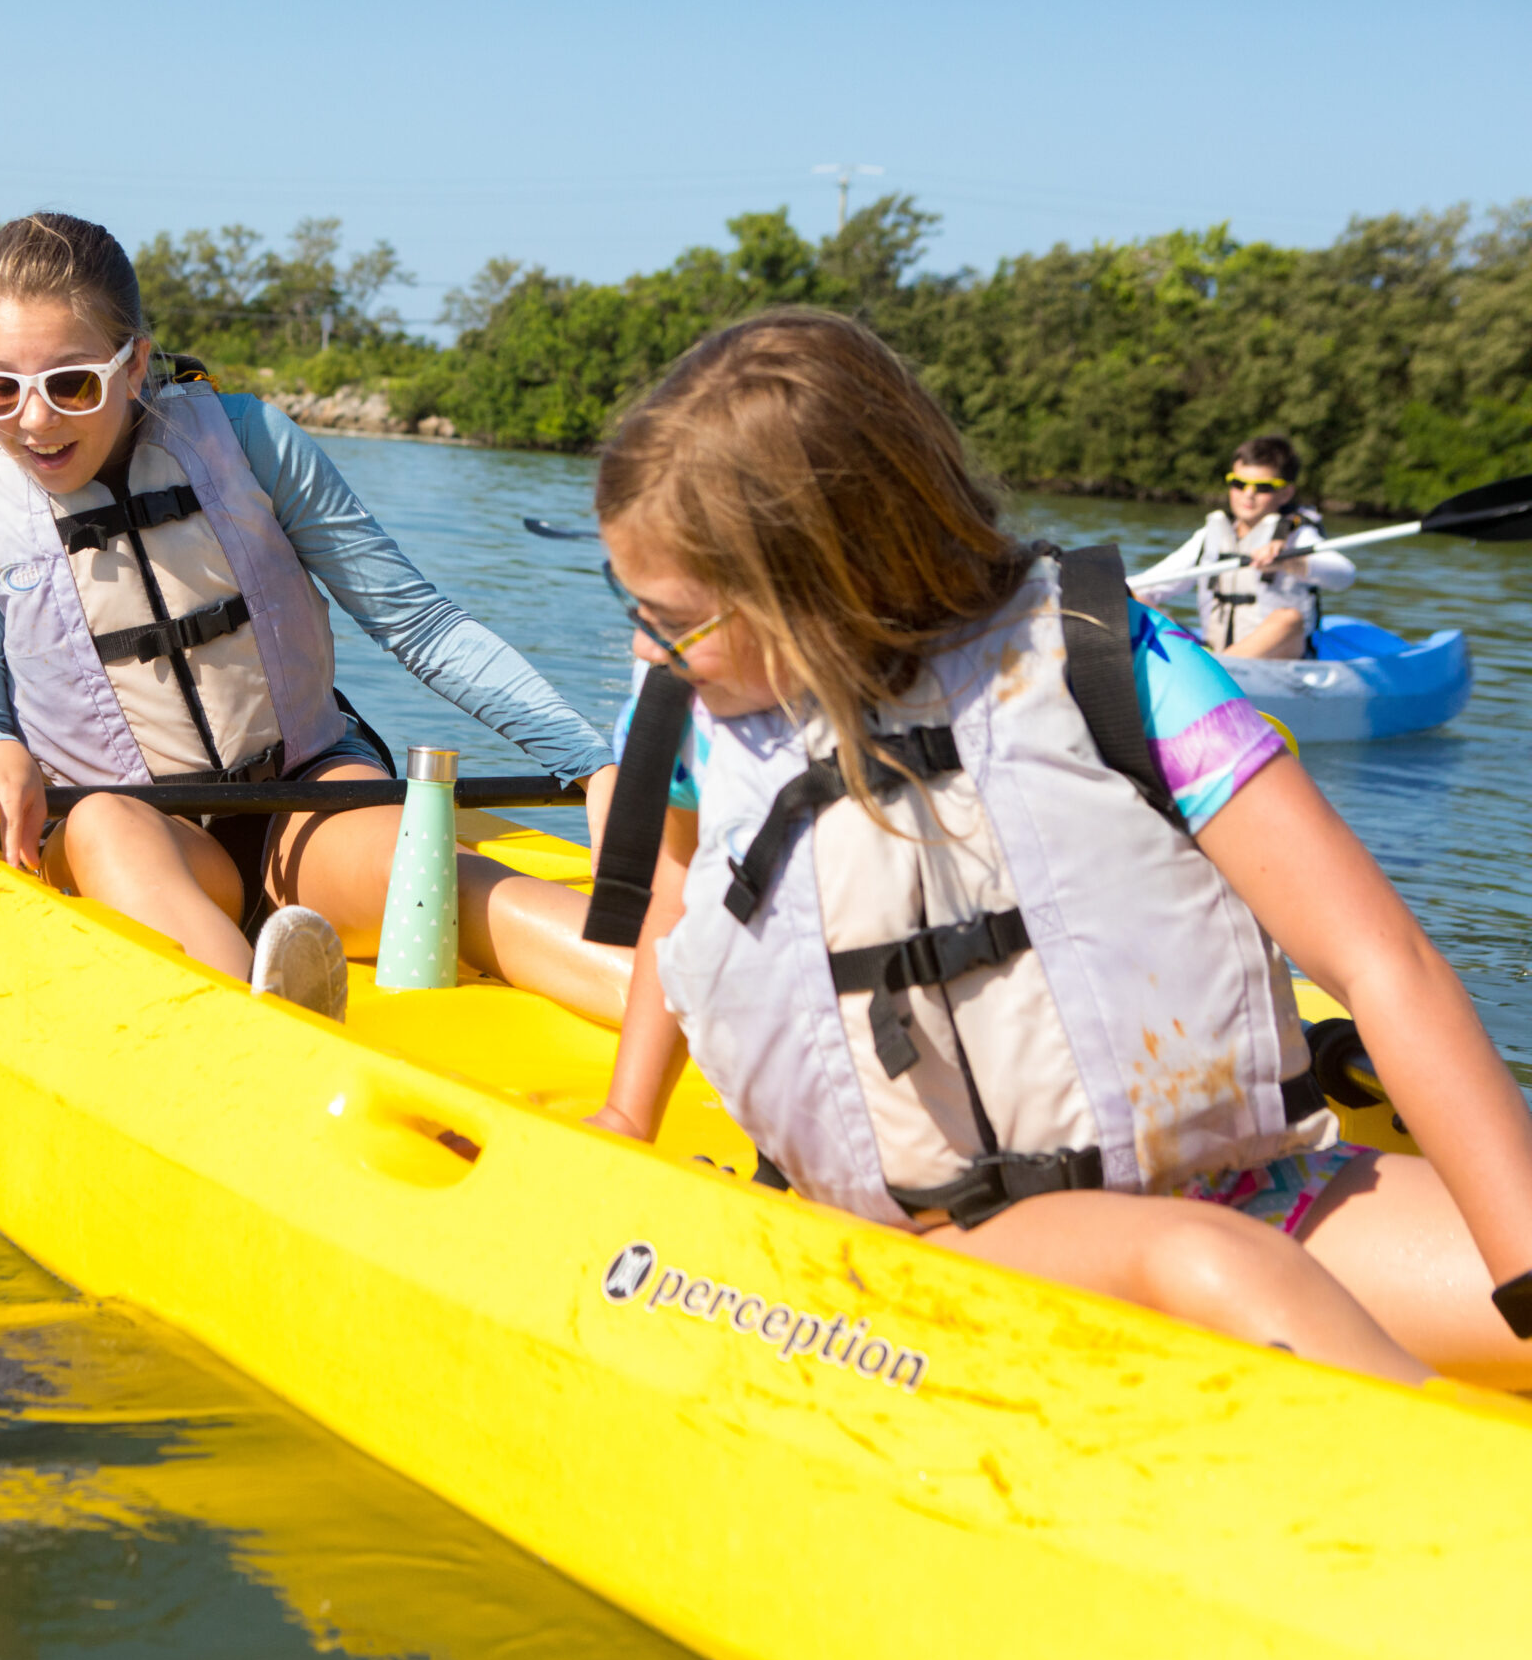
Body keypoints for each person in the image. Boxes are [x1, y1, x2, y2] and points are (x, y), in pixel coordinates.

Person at [585, 307, 1532, 1387]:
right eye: (636, 605)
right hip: (949, 1235)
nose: (644, 644)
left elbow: (1381, 963)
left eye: (673, 616)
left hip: (1235, 1190)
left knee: (1232, 1251)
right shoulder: (692, 720)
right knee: (1212, 1269)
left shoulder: (1110, 665)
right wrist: (625, 1113)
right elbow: (684, 902)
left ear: (817, 587)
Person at [0, 213, 631, 1023]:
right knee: (103, 825)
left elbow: (420, 625)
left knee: (430, 871)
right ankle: (269, 1036)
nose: (35, 420)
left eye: (72, 382)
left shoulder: (253, 441)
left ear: (134, 365)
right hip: (142, 834)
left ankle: (681, 1001)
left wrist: (593, 761)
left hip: (306, 801)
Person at [1126, 436, 1354, 659]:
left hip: (1277, 657)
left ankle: (1218, 672)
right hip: (1214, 649)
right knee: (1135, 598)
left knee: (1289, 619)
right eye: (1238, 483)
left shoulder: (1297, 535)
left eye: (1263, 487)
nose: (1248, 494)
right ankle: (1212, 665)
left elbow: (1344, 575)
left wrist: (1290, 562)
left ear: (1286, 493)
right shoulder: (1209, 536)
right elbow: (1150, 584)